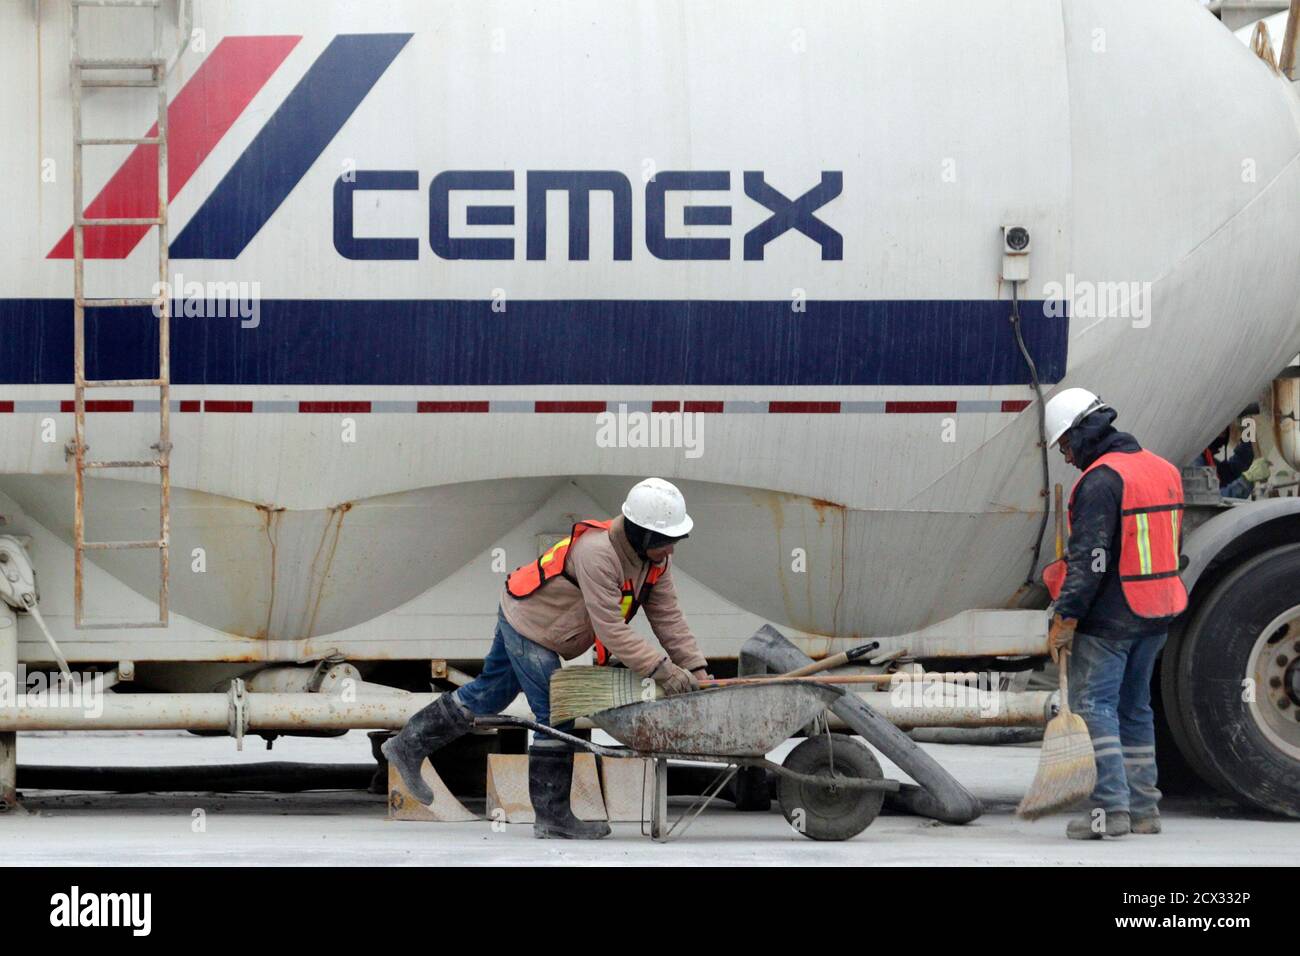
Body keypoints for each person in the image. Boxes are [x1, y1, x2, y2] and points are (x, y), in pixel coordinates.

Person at [382, 477, 710, 839]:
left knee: (488, 695)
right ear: (642, 534)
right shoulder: (598, 553)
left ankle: (406, 746)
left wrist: (697, 669)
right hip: (532, 627)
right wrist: (662, 669)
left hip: (529, 618)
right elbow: (611, 629)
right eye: (666, 542)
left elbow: (669, 619)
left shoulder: (654, 562)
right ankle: (552, 817)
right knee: (556, 714)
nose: (671, 550)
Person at [1040, 388, 1188, 840]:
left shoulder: (1102, 481)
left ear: (1084, 432)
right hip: (1158, 611)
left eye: (1065, 445)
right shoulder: (1163, 470)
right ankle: (1144, 809)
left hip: (1111, 620)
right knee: (1134, 709)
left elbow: (1090, 560)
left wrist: (1065, 619)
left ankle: (1109, 811)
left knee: (1093, 708)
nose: (1066, 457)